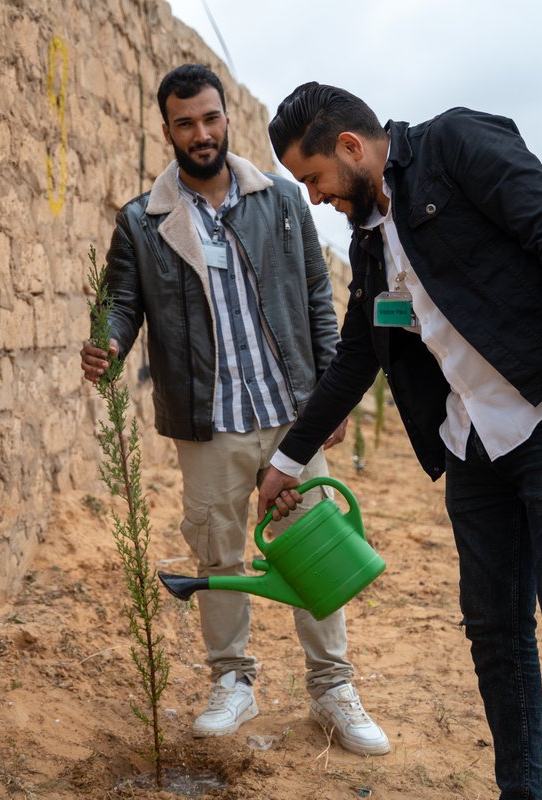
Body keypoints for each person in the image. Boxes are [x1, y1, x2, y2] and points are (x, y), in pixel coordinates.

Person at [256, 83, 542, 799]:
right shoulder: (369, 237)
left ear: (351, 147)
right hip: (476, 442)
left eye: (314, 179)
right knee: (495, 631)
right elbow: (360, 354)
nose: (313, 198)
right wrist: (286, 457)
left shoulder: (454, 145)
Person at [80, 65, 390, 756]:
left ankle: (332, 689)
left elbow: (316, 294)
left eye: (211, 118)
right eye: (185, 123)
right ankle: (233, 683)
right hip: (207, 419)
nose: (201, 133)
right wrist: (108, 340)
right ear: (167, 131)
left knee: (316, 547)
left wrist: (332, 394)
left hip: (292, 414)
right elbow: (122, 302)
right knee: (218, 553)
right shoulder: (141, 221)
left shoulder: (280, 199)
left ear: (226, 119)